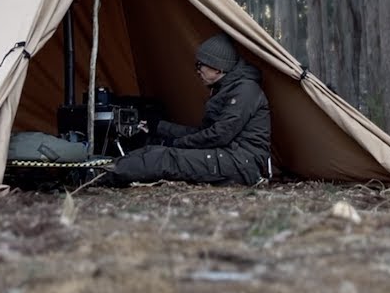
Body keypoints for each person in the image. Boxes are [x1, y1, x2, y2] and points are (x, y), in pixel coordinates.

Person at [108, 33, 271, 185]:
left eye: (201, 65)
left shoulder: (246, 90)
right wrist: (159, 126)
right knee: (153, 151)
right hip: (228, 156)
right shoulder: (225, 89)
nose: (197, 70)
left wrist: (175, 143)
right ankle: (104, 166)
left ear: (218, 68)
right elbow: (203, 133)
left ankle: (101, 175)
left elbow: (219, 135)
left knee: (166, 158)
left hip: (241, 163)